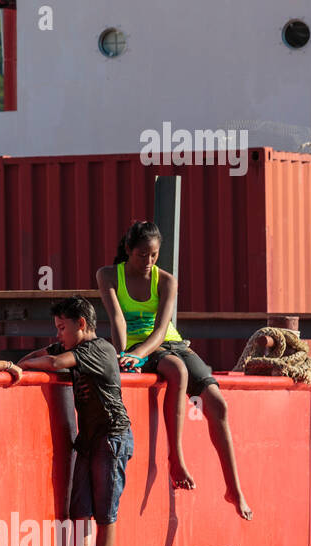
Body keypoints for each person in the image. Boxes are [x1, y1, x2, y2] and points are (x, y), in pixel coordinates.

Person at [97, 220, 252, 520]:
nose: (149, 262)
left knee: (217, 403)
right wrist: (124, 355)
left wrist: (138, 355)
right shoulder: (108, 276)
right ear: (128, 250)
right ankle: (175, 458)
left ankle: (234, 489)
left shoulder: (166, 281)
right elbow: (117, 319)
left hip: (166, 343)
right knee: (176, 371)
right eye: (143, 255)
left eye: (154, 255)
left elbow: (161, 330)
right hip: (136, 346)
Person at [18, 296, 134, 546]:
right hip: (88, 440)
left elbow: (54, 363)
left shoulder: (99, 349)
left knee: (105, 516)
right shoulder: (70, 347)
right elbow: (43, 354)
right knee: (81, 513)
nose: (58, 335)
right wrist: (19, 363)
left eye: (61, 328)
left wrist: (28, 364)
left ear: (81, 324)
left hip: (111, 438)